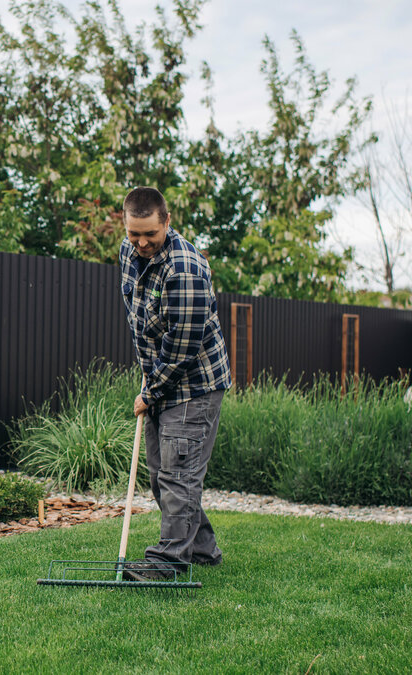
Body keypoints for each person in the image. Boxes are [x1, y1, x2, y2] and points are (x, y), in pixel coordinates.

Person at [117, 186, 232, 580]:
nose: (142, 242)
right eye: (135, 234)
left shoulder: (184, 269)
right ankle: (202, 549)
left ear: (168, 221)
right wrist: (149, 376)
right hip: (162, 379)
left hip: (194, 384)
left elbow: (183, 349)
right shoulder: (128, 253)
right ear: (126, 224)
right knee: (159, 473)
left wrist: (149, 392)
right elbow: (141, 320)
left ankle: (167, 562)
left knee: (178, 474)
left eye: (150, 233)